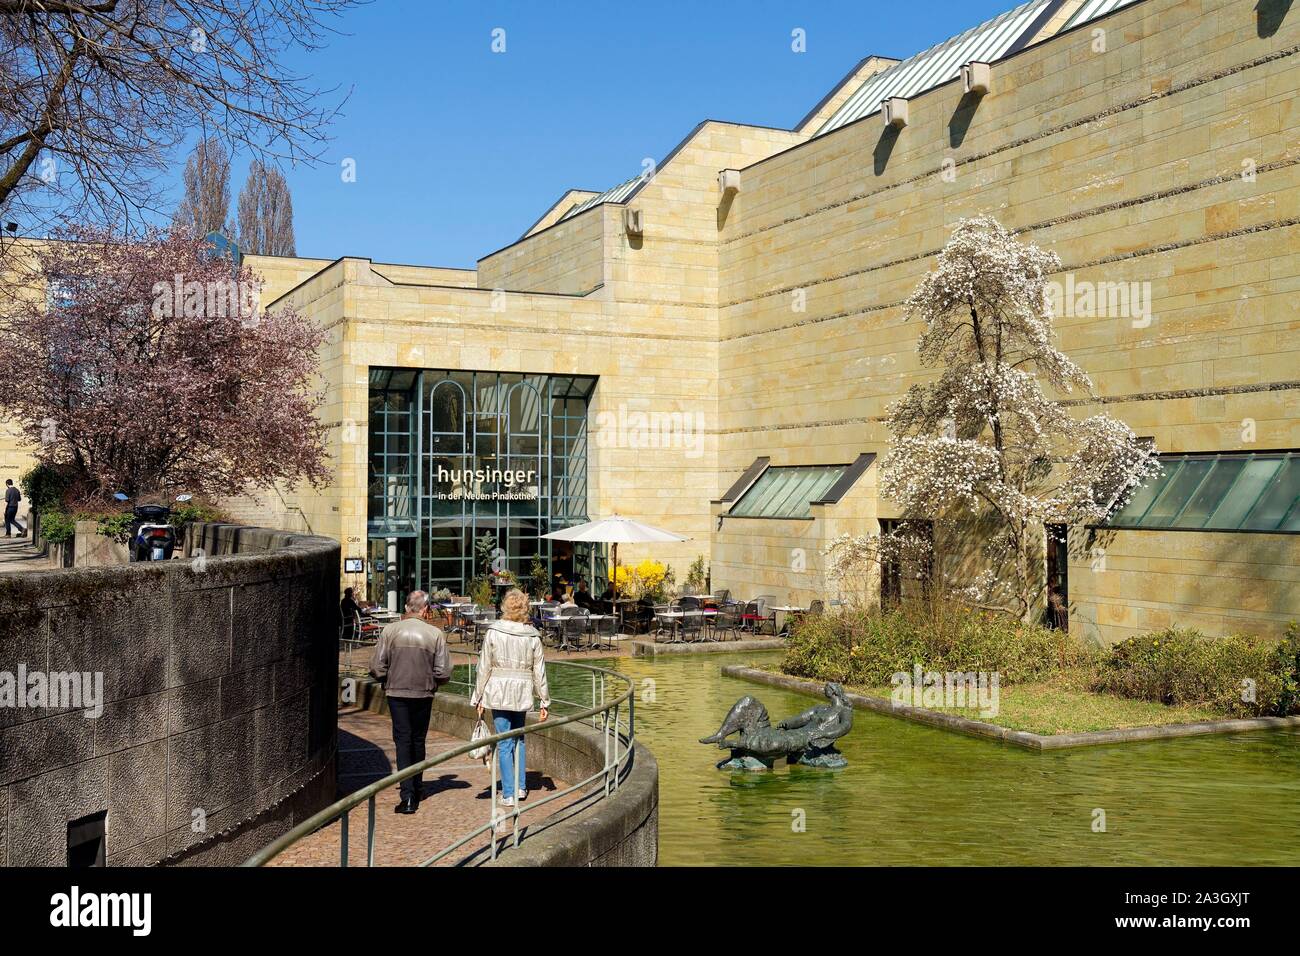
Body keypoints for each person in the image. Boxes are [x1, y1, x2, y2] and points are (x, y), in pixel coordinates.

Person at [370, 590, 451, 815]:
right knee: (418, 740)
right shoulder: (435, 634)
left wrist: (387, 678)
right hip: (423, 692)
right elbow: (444, 672)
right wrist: (432, 682)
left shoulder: (390, 631)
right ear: (425, 610)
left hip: (397, 692)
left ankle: (407, 796)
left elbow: (376, 666)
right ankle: (416, 787)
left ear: (407, 608)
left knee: (403, 741)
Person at [471, 588, 550, 814]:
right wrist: (544, 700)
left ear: (505, 606)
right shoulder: (532, 635)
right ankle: (521, 787)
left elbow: (483, 667)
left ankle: (508, 792)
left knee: (504, 741)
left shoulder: (493, 632)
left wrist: (478, 696)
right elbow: (539, 671)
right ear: (525, 608)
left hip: (498, 690)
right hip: (522, 690)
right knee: (519, 738)